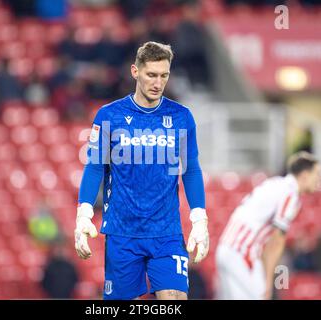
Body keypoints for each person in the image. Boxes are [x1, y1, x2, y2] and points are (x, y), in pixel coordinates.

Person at [74, 41, 209, 300]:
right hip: (122, 232)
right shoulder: (108, 116)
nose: (158, 83)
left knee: (174, 298)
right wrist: (83, 215)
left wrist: (199, 219)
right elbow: (94, 168)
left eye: (164, 75)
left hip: (167, 232)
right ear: (135, 71)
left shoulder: (181, 116)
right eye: (151, 75)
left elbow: (190, 170)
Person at [215, 152, 321, 300]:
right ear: (304, 175)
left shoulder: (274, 183)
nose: (318, 180)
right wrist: (268, 281)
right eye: (316, 175)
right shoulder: (291, 194)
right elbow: (276, 242)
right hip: (243, 252)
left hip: (226, 248)